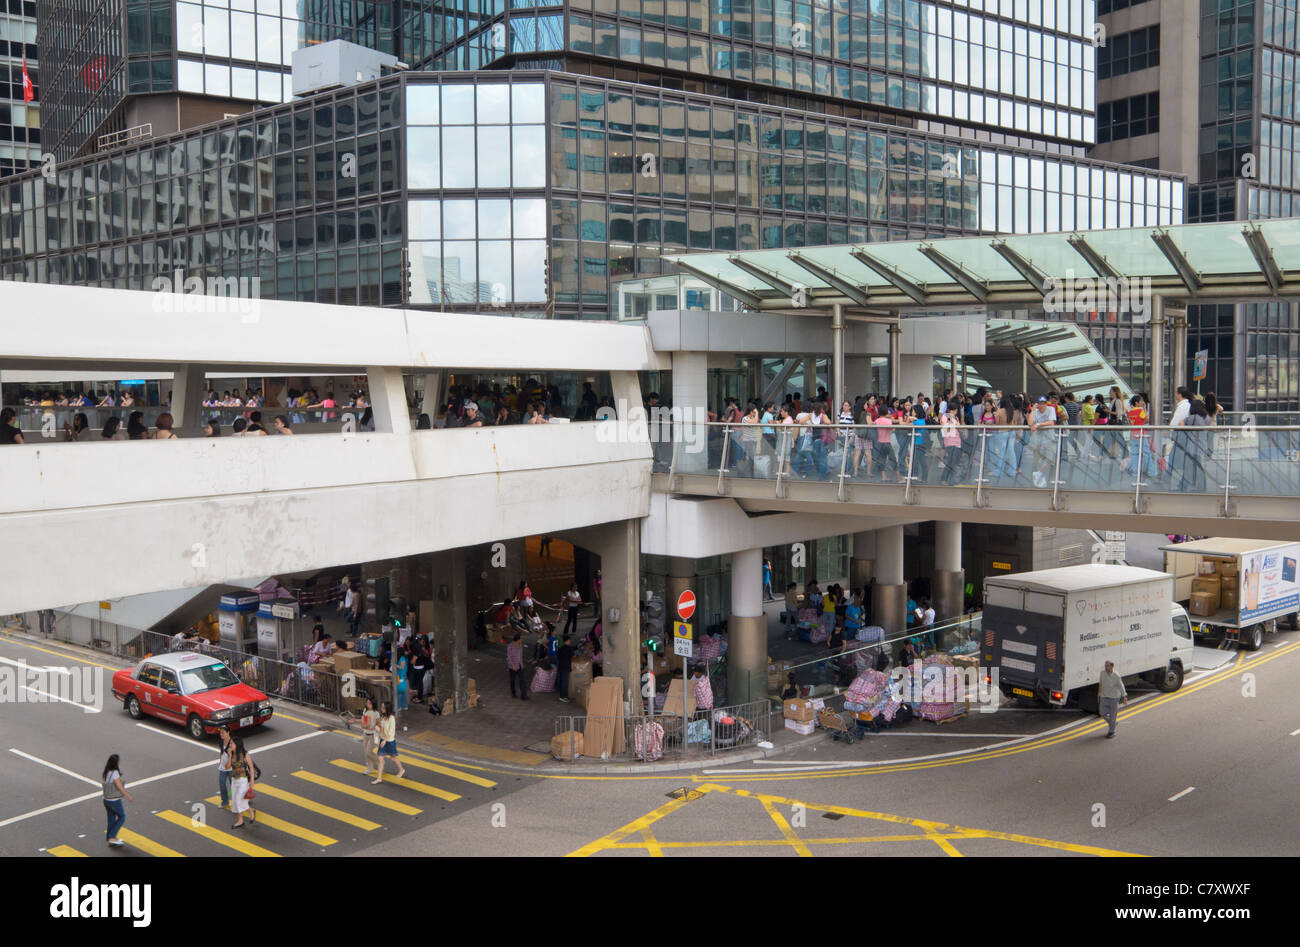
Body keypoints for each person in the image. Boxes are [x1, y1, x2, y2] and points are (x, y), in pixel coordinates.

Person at [102, 754, 134, 847]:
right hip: (114, 800)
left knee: (111, 819)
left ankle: (110, 838)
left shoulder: (107, 771)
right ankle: (112, 837)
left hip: (106, 799)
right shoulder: (115, 772)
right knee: (122, 817)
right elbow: (119, 787)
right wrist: (128, 796)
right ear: (116, 762)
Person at [373, 701, 406, 783]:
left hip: (390, 741)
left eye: (383, 708)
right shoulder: (383, 717)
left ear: (387, 709)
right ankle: (379, 778)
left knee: (393, 757)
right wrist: (378, 728)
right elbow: (382, 729)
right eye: (381, 707)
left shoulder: (391, 718)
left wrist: (385, 740)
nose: (382, 709)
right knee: (380, 758)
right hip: (383, 739)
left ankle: (401, 770)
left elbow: (391, 731)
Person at [230, 736, 256, 828]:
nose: (230, 745)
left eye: (232, 743)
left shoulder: (245, 754)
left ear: (237, 744)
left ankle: (245, 817)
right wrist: (229, 755)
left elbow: (251, 767)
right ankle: (245, 816)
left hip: (243, 780)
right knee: (236, 801)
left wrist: (252, 780)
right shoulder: (231, 753)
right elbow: (227, 767)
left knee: (239, 801)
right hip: (234, 780)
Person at [1097, 659, 1128, 738]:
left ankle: (1111, 732)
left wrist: (1124, 697)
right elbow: (1100, 683)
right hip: (1104, 696)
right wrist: (1099, 693)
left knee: (1113, 715)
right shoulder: (1102, 673)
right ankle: (1113, 722)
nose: (1106, 667)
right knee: (1102, 713)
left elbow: (1121, 686)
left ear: (1112, 666)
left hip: (1114, 698)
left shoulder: (1116, 675)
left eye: (1107, 666)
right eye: (1105, 666)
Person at [360, 697, 381, 775]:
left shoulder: (376, 713)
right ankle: (370, 769)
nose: (367, 704)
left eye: (369, 703)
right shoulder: (365, 711)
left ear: (373, 704)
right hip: (365, 734)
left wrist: (374, 727)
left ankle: (379, 762)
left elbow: (379, 724)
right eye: (367, 703)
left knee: (369, 752)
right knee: (366, 753)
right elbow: (364, 722)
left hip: (373, 735)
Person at [506, 633, 529, 699]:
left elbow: (520, 656)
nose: (522, 640)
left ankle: (524, 695)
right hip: (512, 666)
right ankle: (513, 693)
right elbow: (509, 657)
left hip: (520, 665)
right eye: (521, 638)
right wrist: (513, 666)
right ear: (517, 639)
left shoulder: (520, 646)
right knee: (512, 680)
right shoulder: (510, 646)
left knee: (522, 680)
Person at [217, 726, 234, 810]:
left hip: (232, 769)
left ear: (228, 733)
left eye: (223, 732)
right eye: (220, 733)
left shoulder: (232, 743)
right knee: (222, 785)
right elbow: (221, 752)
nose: (221, 734)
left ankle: (239, 802)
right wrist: (220, 762)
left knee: (234, 786)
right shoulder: (221, 741)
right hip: (222, 768)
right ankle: (225, 802)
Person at [556, 634, 575, 702]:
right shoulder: (569, 648)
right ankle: (563, 697)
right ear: (568, 641)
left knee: (561, 681)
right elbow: (573, 657)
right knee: (565, 683)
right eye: (570, 641)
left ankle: (561, 695)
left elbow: (558, 657)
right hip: (566, 667)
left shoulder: (560, 648)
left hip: (560, 666)